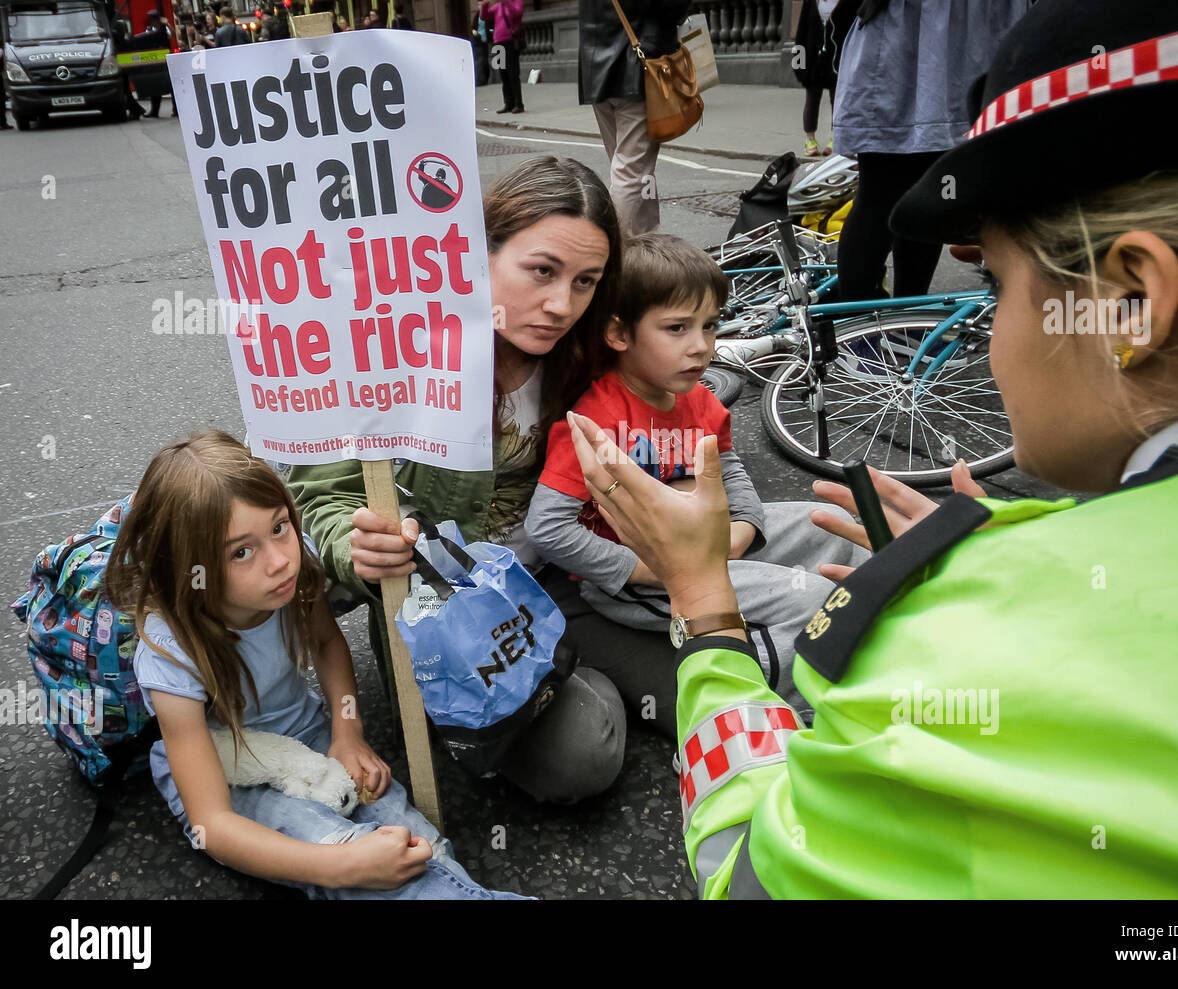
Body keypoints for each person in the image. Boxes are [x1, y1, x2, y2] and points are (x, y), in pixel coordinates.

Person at [565, 0, 1178, 898]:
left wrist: (708, 614)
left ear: (1130, 303)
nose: (990, 335)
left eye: (995, 283)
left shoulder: (954, 663)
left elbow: (750, 866)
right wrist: (1036, 558)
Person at [288, 157, 682, 804]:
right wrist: (356, 549)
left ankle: (572, 665)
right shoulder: (395, 340)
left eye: (585, 281)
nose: (561, 304)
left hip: (558, 574)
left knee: (701, 687)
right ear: (478, 252)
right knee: (585, 757)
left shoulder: (585, 349)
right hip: (446, 606)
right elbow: (321, 493)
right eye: (541, 272)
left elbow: (681, 405)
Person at [104, 430, 524, 899]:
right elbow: (214, 824)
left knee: (421, 847)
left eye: (279, 526)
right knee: (350, 856)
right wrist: (341, 865)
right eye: (241, 551)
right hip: (229, 764)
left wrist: (348, 733)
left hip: (311, 731)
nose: (280, 560)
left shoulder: (294, 565)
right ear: (187, 570)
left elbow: (326, 643)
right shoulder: (171, 648)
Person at [526, 233, 867, 716]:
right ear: (620, 334)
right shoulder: (594, 421)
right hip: (633, 581)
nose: (701, 347)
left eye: (709, 326)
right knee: (809, 600)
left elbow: (728, 469)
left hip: (702, 543)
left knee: (830, 522)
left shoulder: (700, 399)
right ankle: (788, 712)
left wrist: (742, 530)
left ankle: (875, 645)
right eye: (677, 328)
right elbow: (548, 527)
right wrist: (660, 569)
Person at [832, 0, 1029, 300]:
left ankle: (907, 324)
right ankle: (856, 329)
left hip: (962, 30)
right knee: (884, 190)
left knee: (923, 189)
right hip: (913, 30)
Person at [578, 0, 691, 235]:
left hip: (597, 71)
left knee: (632, 170)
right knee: (631, 173)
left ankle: (647, 239)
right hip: (637, 68)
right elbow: (670, 8)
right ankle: (613, 252)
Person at [791, 0, 856, 157]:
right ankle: (810, 140)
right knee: (812, 100)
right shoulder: (811, 2)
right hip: (814, 62)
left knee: (838, 101)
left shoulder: (847, 3)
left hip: (836, 61)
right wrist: (798, 66)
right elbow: (801, 33)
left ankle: (835, 138)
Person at [479, 0, 524, 113]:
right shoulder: (497, 6)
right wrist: (484, 5)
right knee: (503, 74)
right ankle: (508, 103)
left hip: (510, 42)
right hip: (497, 43)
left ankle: (519, 104)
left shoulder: (516, 2)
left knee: (513, 74)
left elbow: (517, 13)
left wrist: (507, 3)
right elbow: (484, 17)